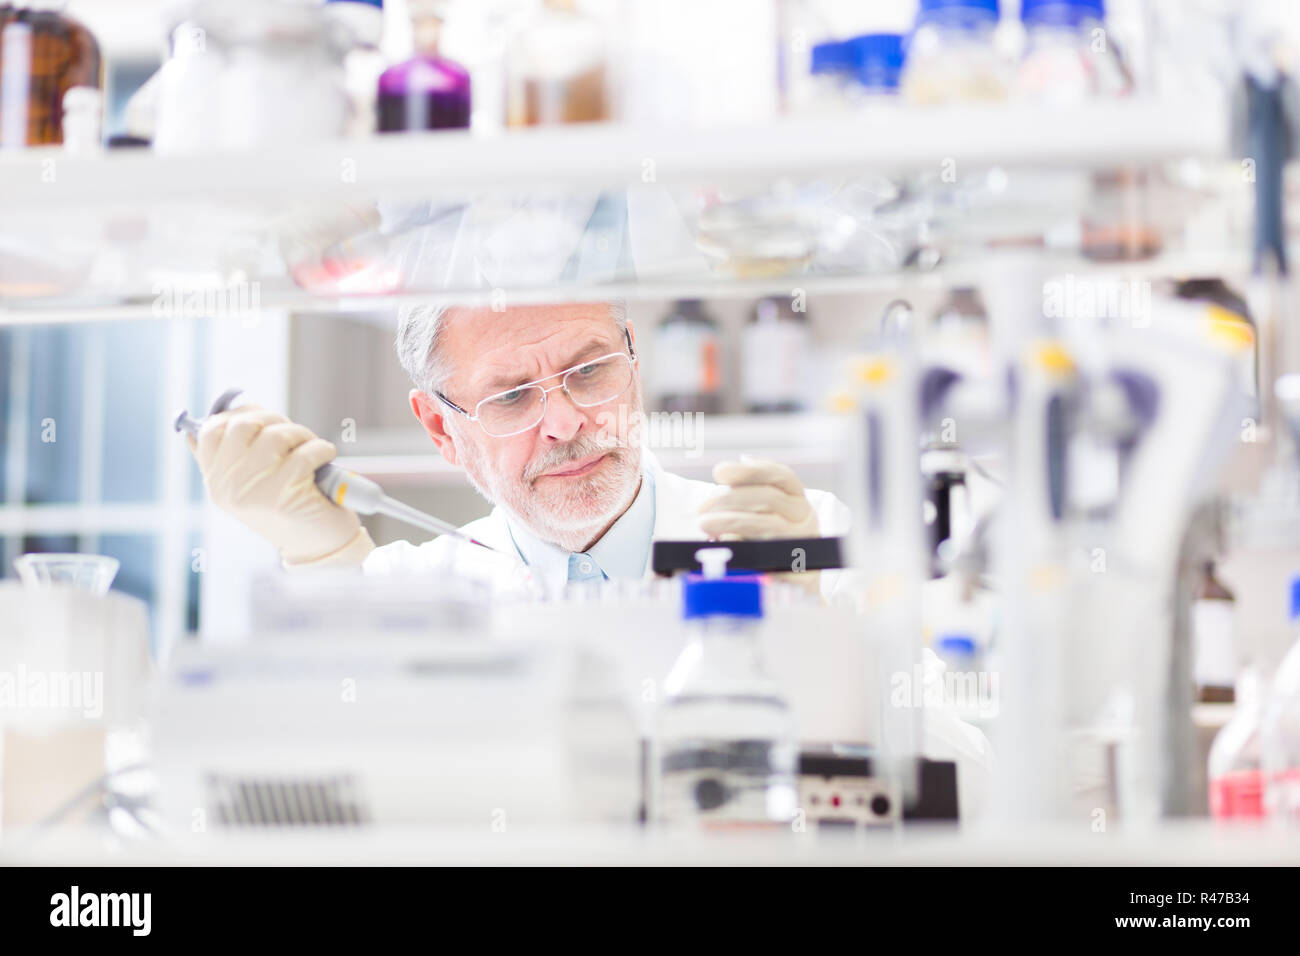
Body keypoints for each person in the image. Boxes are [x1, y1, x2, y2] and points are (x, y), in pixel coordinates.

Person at [187, 299, 992, 815]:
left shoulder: (805, 535)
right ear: (441, 430)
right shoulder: (412, 592)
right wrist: (314, 553)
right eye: (510, 397)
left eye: (590, 371)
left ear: (635, 363)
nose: (567, 422)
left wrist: (813, 634)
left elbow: (970, 791)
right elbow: (320, 805)